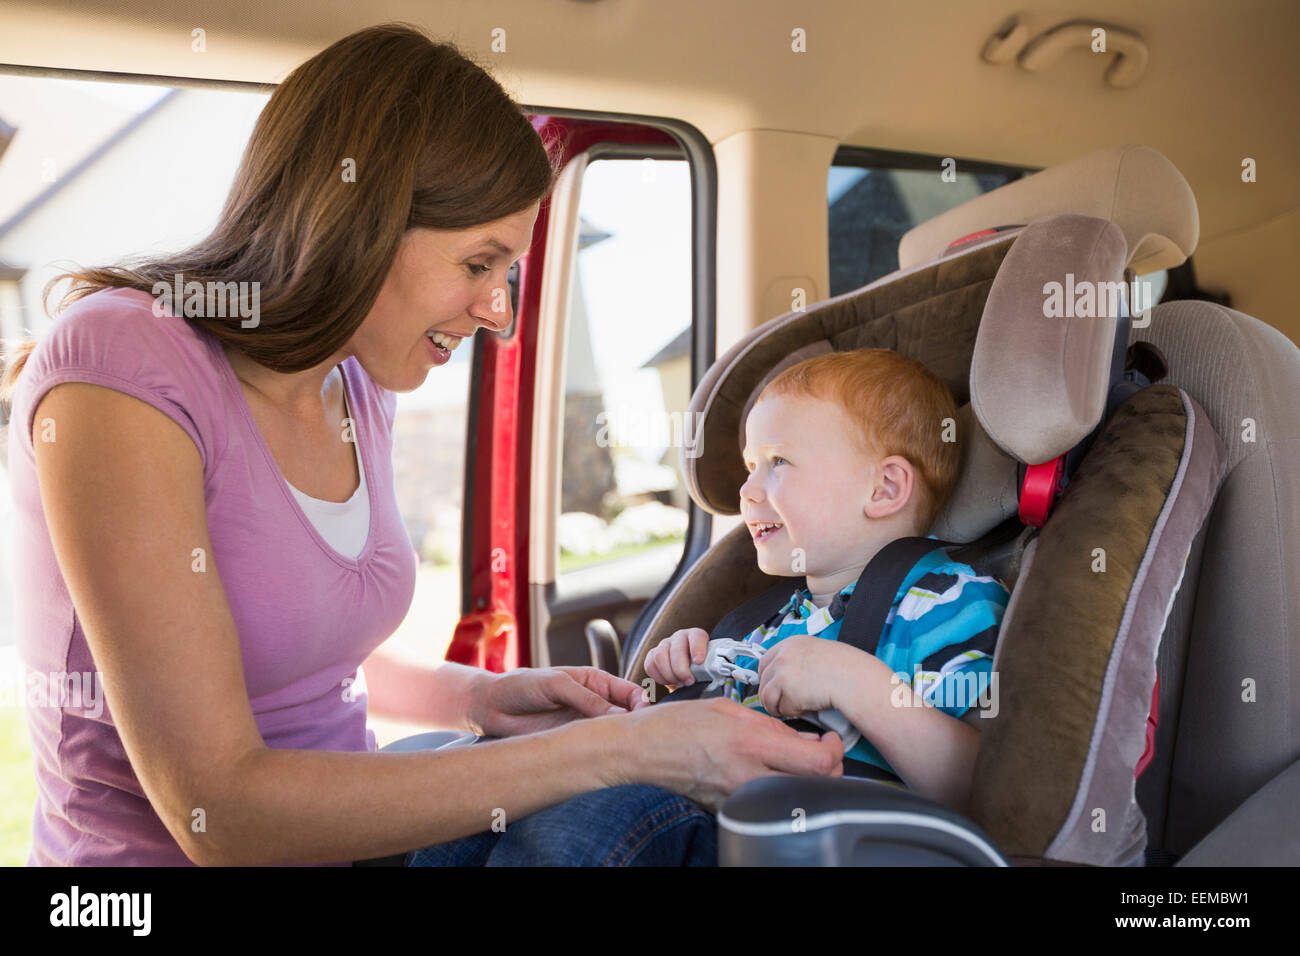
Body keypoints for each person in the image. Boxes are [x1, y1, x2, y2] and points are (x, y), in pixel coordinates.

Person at [0, 22, 841, 868]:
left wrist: (477, 696)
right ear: (355, 224)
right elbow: (222, 811)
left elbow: (295, 649)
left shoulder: (357, 383)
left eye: (506, 273)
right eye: (479, 264)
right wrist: (624, 748)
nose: (499, 312)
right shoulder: (123, 367)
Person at [406, 347, 1010, 865]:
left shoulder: (948, 600)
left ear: (883, 489)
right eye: (751, 466)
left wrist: (861, 684)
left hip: (820, 833)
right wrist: (695, 672)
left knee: (587, 819)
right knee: (490, 790)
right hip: (709, 812)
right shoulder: (776, 614)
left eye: (778, 463)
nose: (747, 491)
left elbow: (978, 784)